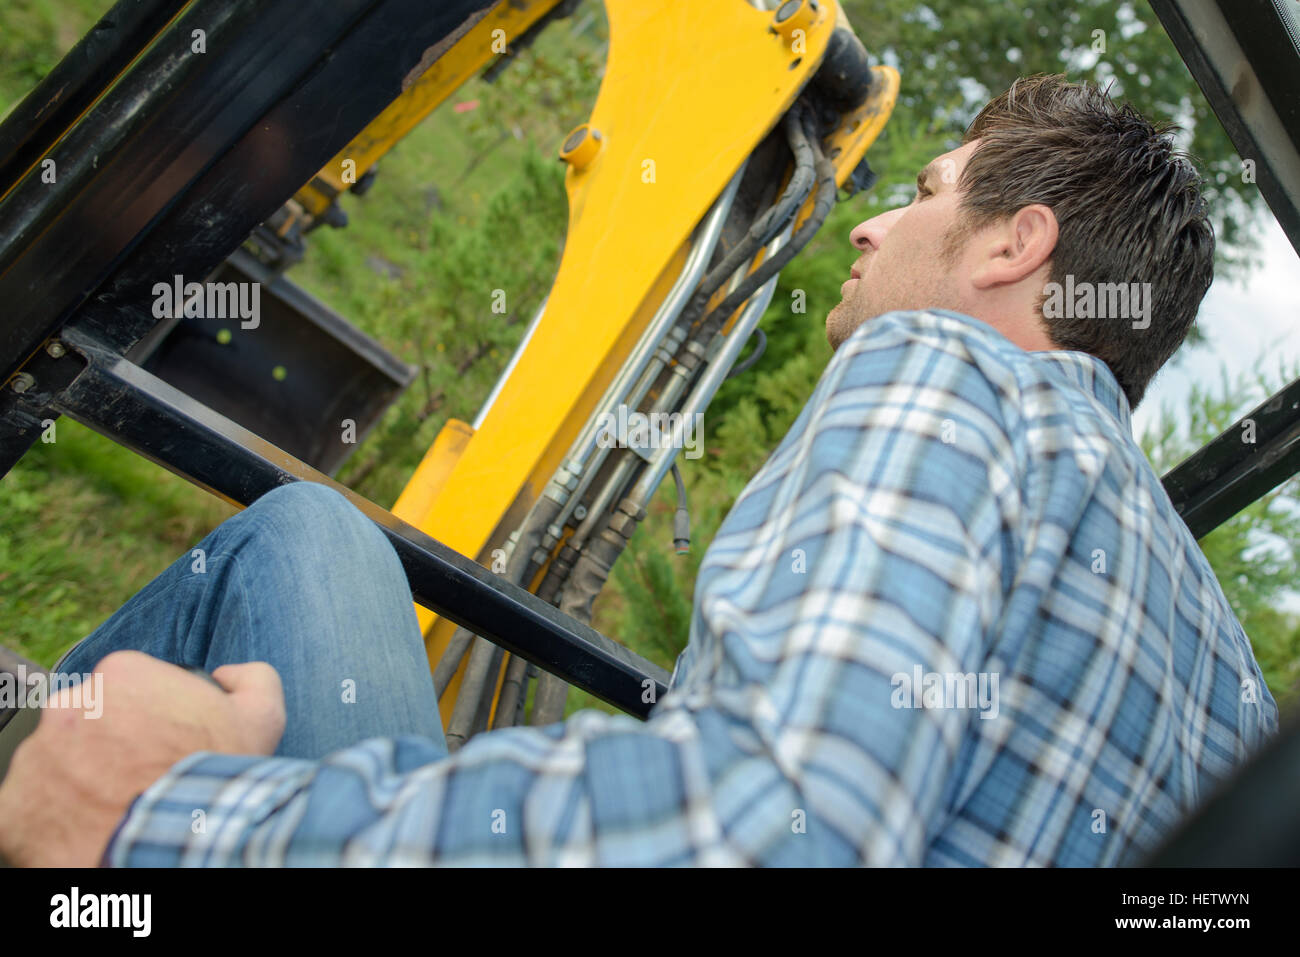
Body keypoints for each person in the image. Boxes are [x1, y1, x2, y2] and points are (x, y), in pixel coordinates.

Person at [0, 74, 1278, 867]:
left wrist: (165, 823)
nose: (880, 219)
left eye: (930, 189)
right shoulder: (1226, 678)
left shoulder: (949, 374)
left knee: (308, 537)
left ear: (1013, 246)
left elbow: (775, 827)